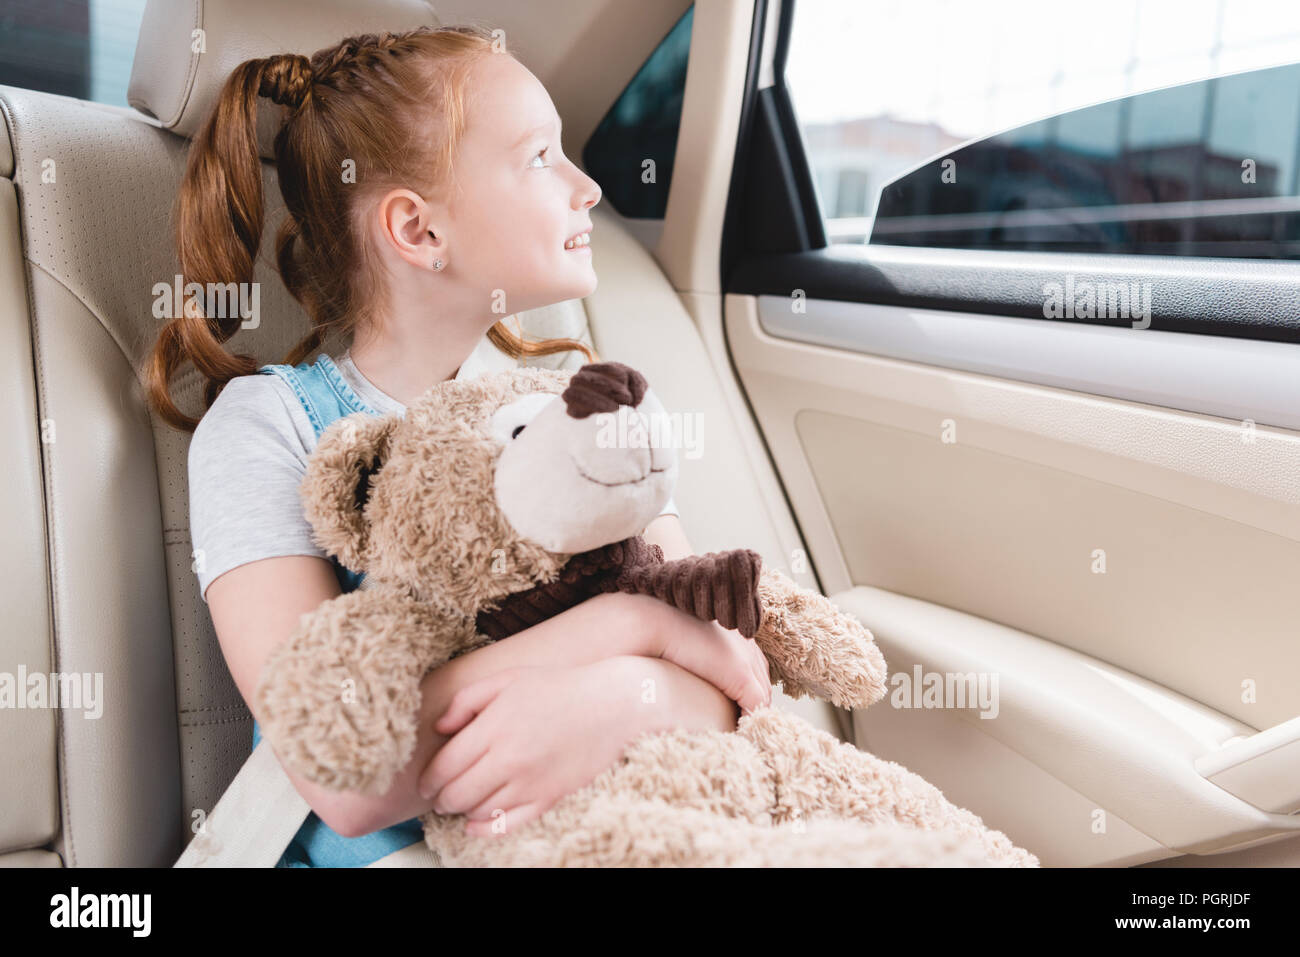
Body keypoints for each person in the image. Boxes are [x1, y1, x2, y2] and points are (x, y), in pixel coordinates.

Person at [146, 24, 771, 866]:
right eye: (541, 157)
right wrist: (636, 632)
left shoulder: (573, 410)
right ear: (418, 230)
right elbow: (344, 770)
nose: (586, 187)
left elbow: (738, 680)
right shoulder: (270, 427)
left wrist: (629, 697)